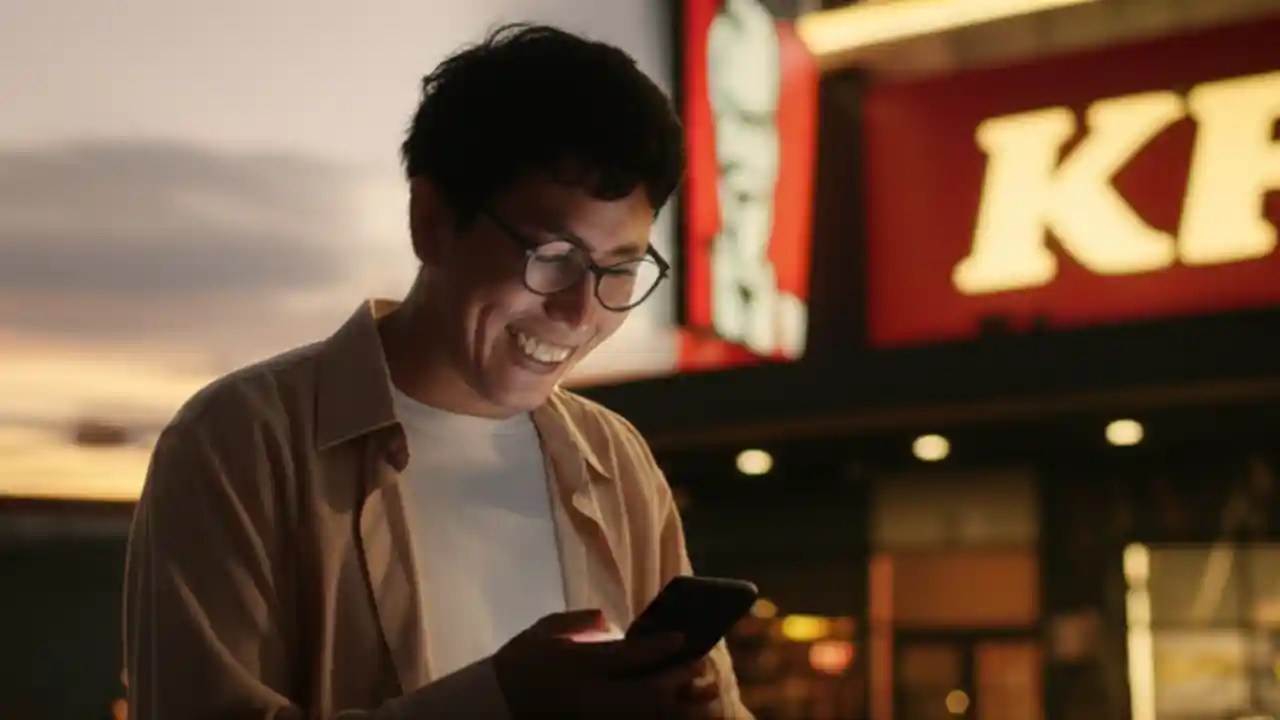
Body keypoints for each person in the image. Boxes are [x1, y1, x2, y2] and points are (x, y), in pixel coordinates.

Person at [123, 23, 752, 720]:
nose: (580, 312)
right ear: (432, 220)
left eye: (621, 270)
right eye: (553, 256)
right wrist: (500, 701)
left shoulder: (614, 461)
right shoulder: (241, 442)